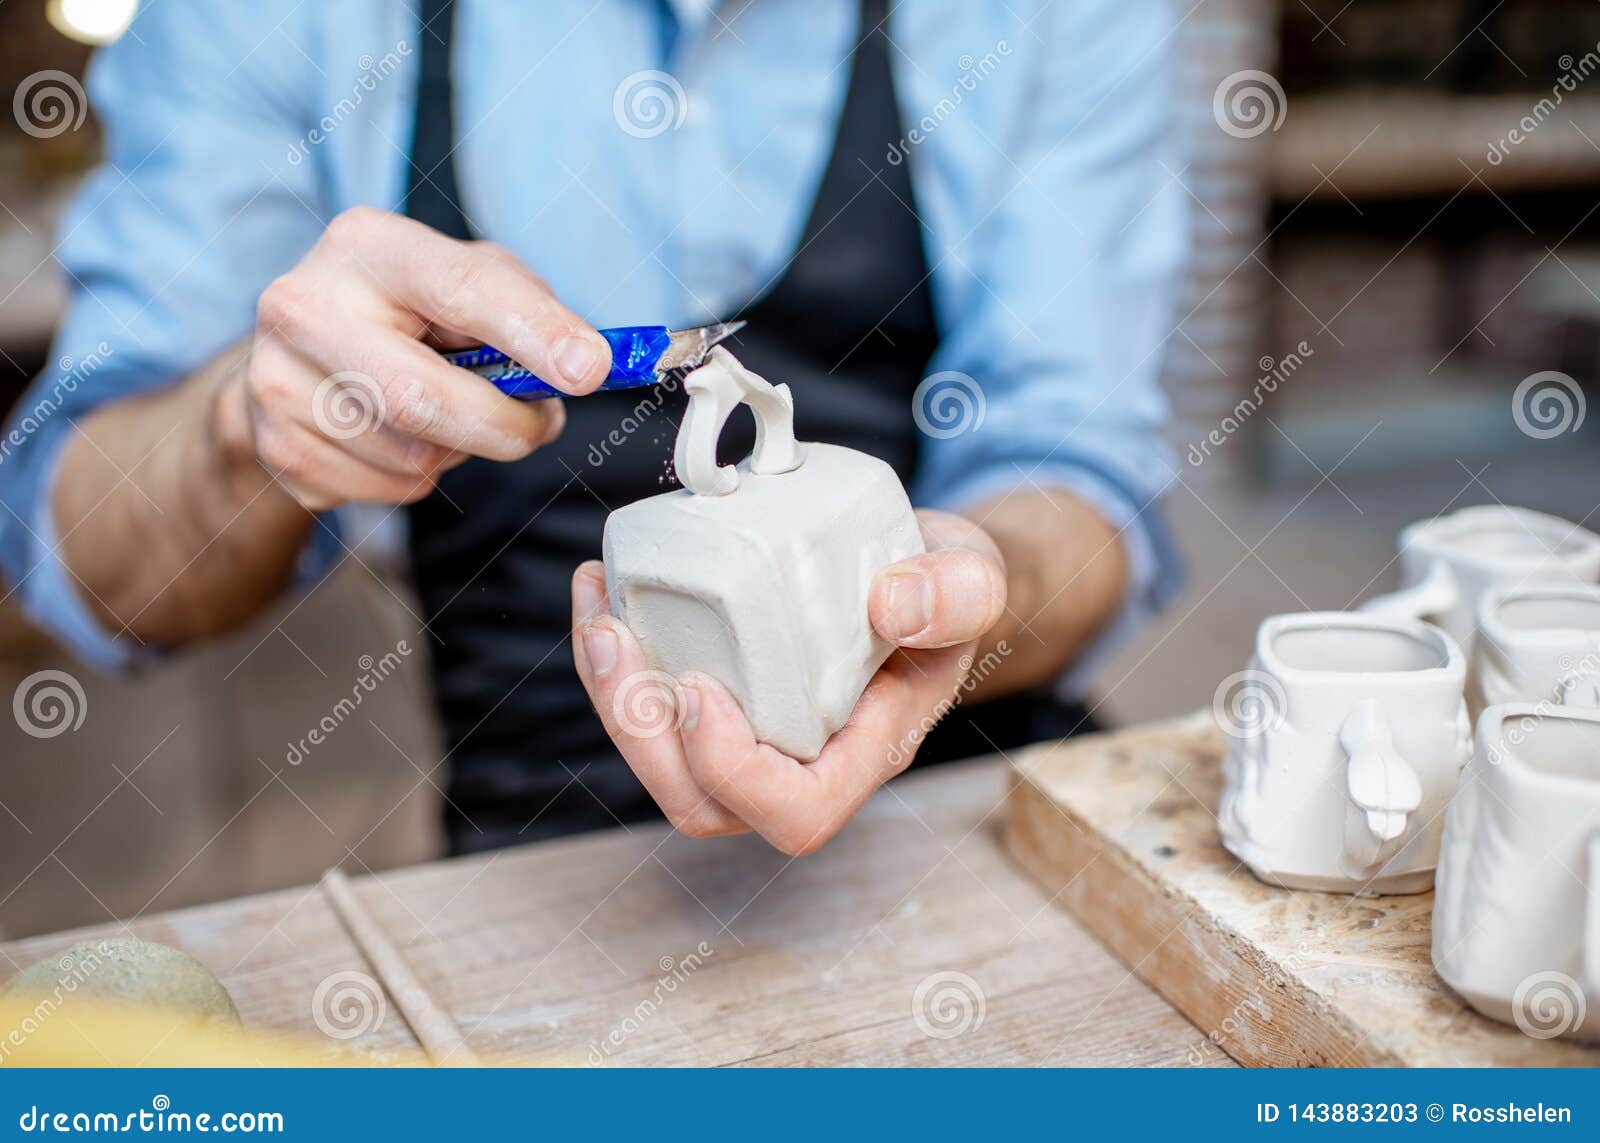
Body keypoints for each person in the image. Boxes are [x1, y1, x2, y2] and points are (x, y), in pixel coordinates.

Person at [0, 0, 1185, 855]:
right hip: (535, 844)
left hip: (968, 807)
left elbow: (1080, 469)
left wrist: (968, 592)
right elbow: (93, 566)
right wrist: (237, 428)